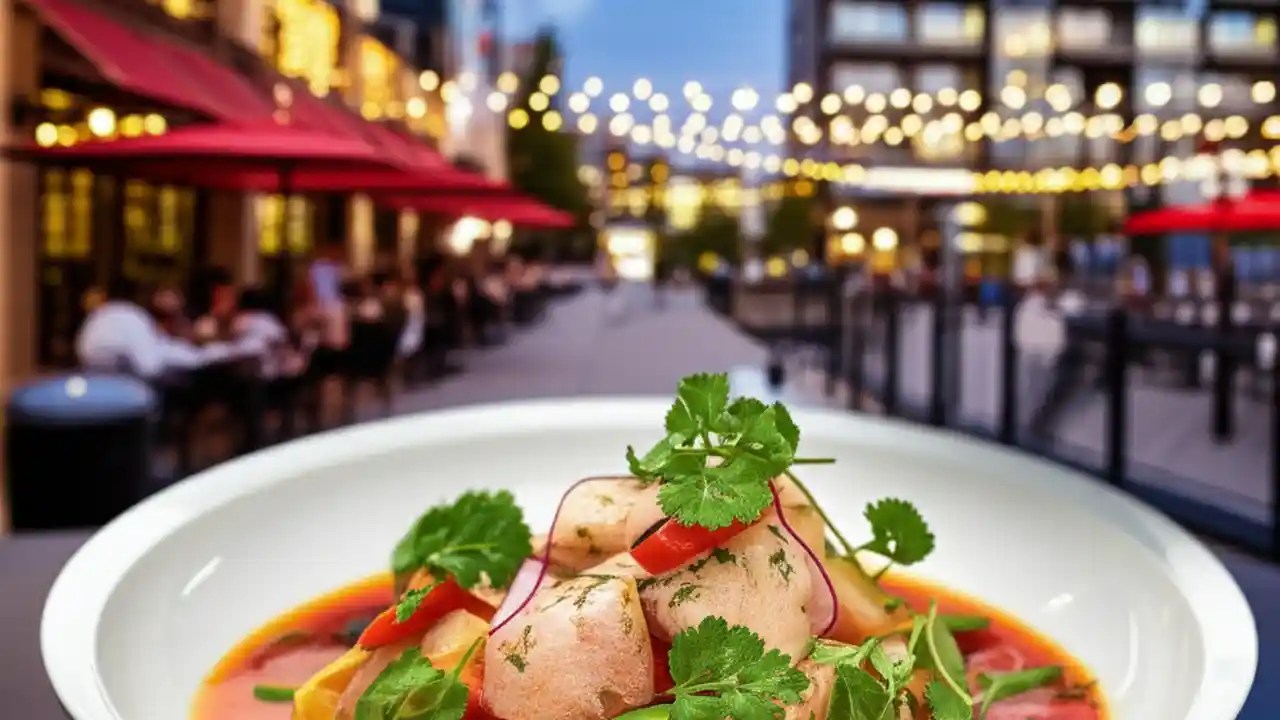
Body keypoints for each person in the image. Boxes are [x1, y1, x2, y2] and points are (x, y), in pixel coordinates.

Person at [76, 277, 222, 378]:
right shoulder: (132, 318)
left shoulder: (99, 318)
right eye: (163, 294)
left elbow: (167, 349)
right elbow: (150, 366)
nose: (169, 300)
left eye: (173, 295)